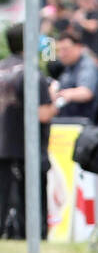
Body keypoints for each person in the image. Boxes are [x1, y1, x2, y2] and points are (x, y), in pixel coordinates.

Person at [0, 23, 54, 240]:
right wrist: (55, 102)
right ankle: (31, 239)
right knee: (30, 202)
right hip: (25, 148)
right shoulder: (31, 74)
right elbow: (43, 114)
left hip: (3, 146)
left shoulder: (2, 69)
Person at [52, 28, 98, 121]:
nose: (61, 54)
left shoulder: (86, 65)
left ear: (78, 47)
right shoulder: (69, 65)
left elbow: (86, 92)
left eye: (65, 49)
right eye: (58, 50)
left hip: (84, 126)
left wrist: (62, 95)